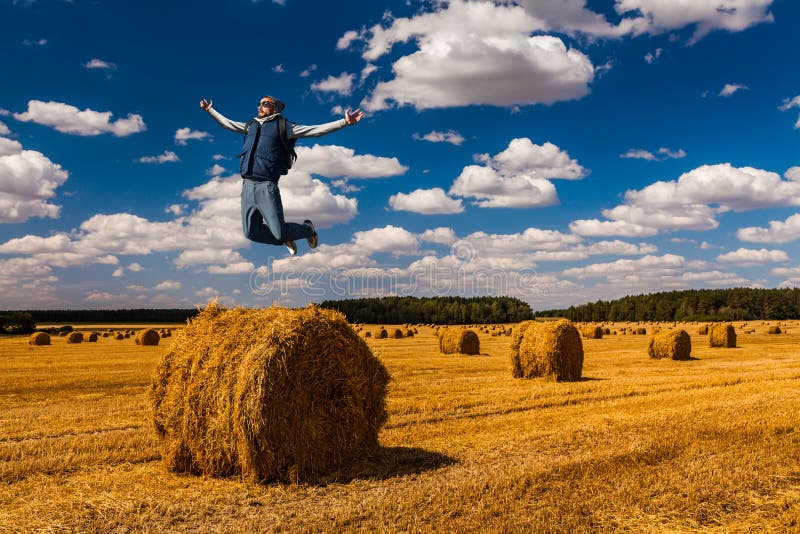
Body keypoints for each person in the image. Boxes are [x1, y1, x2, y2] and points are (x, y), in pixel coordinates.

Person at [200, 96, 363, 255]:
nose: (260, 106)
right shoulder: (251, 126)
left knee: (279, 233)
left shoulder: (284, 126)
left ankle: (308, 229)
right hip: (247, 185)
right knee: (251, 233)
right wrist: (210, 111)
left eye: (265, 103)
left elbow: (315, 131)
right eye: (259, 103)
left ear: (275, 107)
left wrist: (344, 122)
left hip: (267, 186)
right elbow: (228, 124)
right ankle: (287, 236)